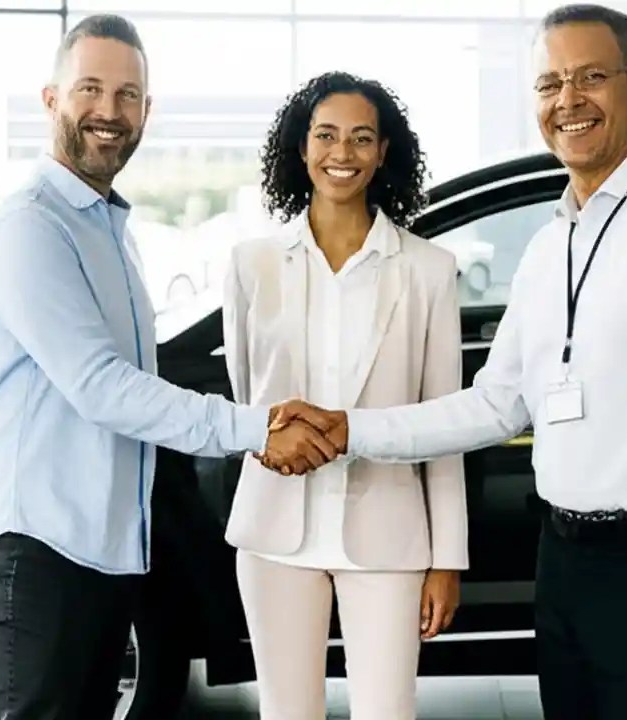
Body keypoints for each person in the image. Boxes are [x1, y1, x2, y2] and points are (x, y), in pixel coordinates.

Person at [268, 4, 627, 720]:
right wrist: (349, 429)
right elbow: (496, 404)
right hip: (563, 563)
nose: (568, 100)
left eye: (591, 78)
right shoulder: (550, 244)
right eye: (550, 84)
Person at [0, 14, 336, 720]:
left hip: (100, 554)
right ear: (51, 100)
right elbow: (103, 387)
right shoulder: (31, 229)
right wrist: (256, 428)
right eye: (91, 89)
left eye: (128, 95)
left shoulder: (107, 227)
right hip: (39, 550)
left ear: (147, 111)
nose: (110, 112)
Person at [221, 71, 466, 720]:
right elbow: (250, 404)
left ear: (384, 152)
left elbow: (444, 425)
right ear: (301, 148)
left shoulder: (429, 271)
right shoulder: (252, 265)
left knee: (389, 712)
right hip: (274, 533)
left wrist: (448, 560)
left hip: (390, 534)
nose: (342, 153)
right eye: (326, 135)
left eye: (361, 138)